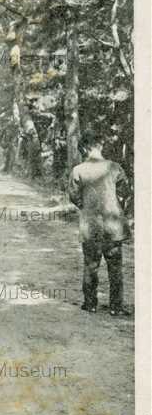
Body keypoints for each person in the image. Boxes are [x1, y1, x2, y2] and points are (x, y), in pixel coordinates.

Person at [68, 129, 131, 316]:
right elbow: (126, 192)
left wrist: (86, 207)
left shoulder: (78, 170)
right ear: (100, 146)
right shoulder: (114, 168)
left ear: (85, 147)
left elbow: (73, 196)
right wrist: (117, 207)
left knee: (90, 265)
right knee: (115, 267)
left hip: (90, 226)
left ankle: (90, 304)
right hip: (113, 226)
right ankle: (116, 307)